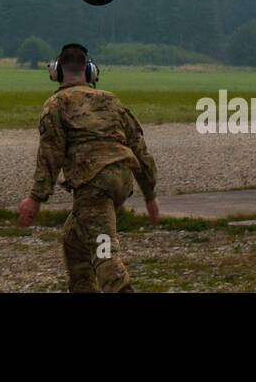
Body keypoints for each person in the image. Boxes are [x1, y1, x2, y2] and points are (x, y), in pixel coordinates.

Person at [17, 43, 160, 292]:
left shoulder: (56, 104)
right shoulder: (111, 100)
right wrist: (149, 194)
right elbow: (139, 147)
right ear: (91, 71)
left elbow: (51, 154)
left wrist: (35, 198)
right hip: (121, 180)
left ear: (56, 72)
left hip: (93, 184)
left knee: (103, 249)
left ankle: (119, 287)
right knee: (73, 239)